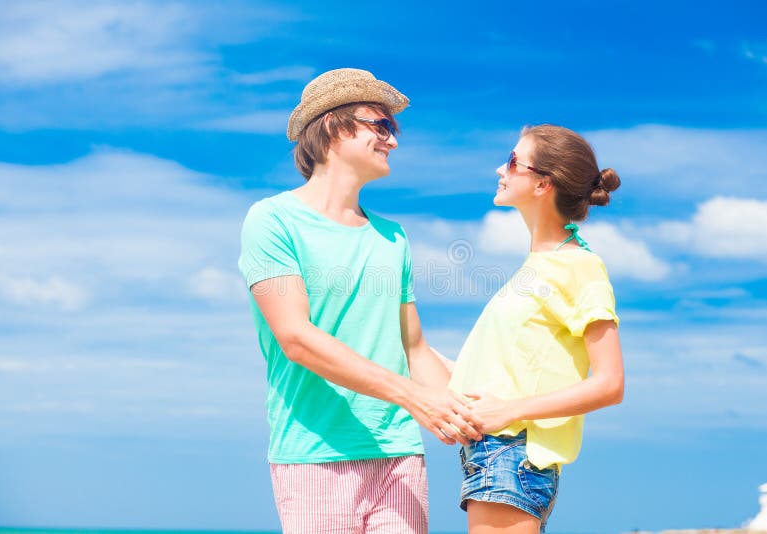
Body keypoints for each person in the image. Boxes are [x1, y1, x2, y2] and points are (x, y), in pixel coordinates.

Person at [238, 68, 482, 534]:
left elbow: (414, 349)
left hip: (399, 456)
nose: (393, 141)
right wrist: (413, 397)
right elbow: (296, 338)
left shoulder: (394, 237)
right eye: (382, 126)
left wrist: (476, 408)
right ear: (334, 126)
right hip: (315, 456)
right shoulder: (272, 220)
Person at [448, 124, 625, 534]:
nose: (500, 169)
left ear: (544, 183)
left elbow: (611, 384)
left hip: (511, 453)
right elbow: (497, 373)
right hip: (496, 455)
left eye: (513, 161)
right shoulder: (536, 268)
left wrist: (509, 411)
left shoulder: (579, 266)